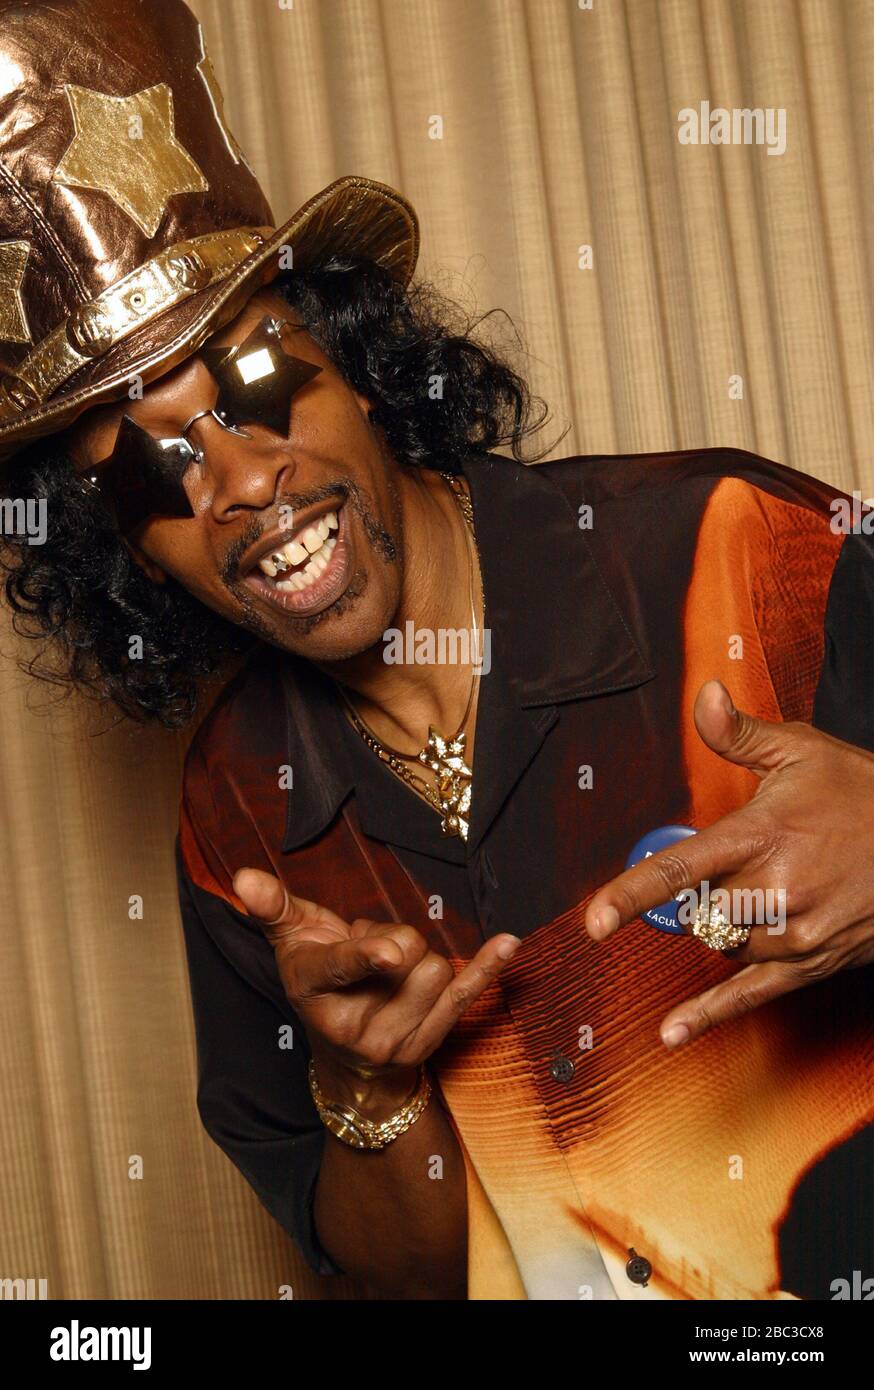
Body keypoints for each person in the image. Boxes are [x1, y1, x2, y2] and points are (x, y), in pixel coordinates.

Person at [0, 0, 870, 1301]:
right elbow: (395, 1274)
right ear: (120, 549)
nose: (237, 480)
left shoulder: (745, 543)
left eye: (253, 385)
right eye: (146, 473)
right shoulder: (237, 817)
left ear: (355, 361)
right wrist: (368, 1092)